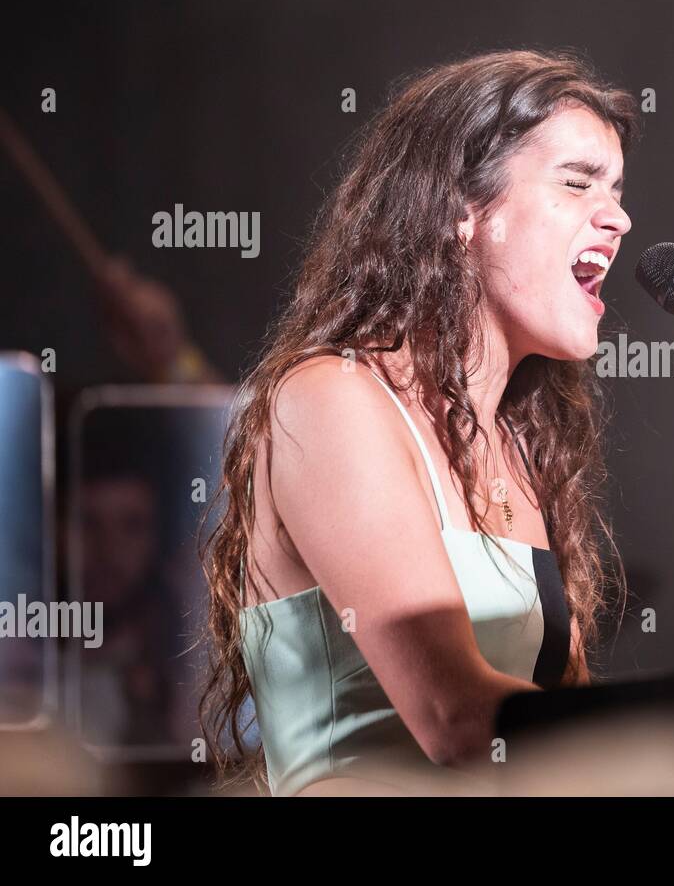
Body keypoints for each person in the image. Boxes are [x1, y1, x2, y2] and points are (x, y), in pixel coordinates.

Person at [199, 48, 639, 795]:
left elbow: (559, 734)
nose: (619, 217)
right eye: (577, 183)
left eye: (620, 190)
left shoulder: (519, 446)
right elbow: (455, 714)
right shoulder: (331, 399)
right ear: (461, 211)